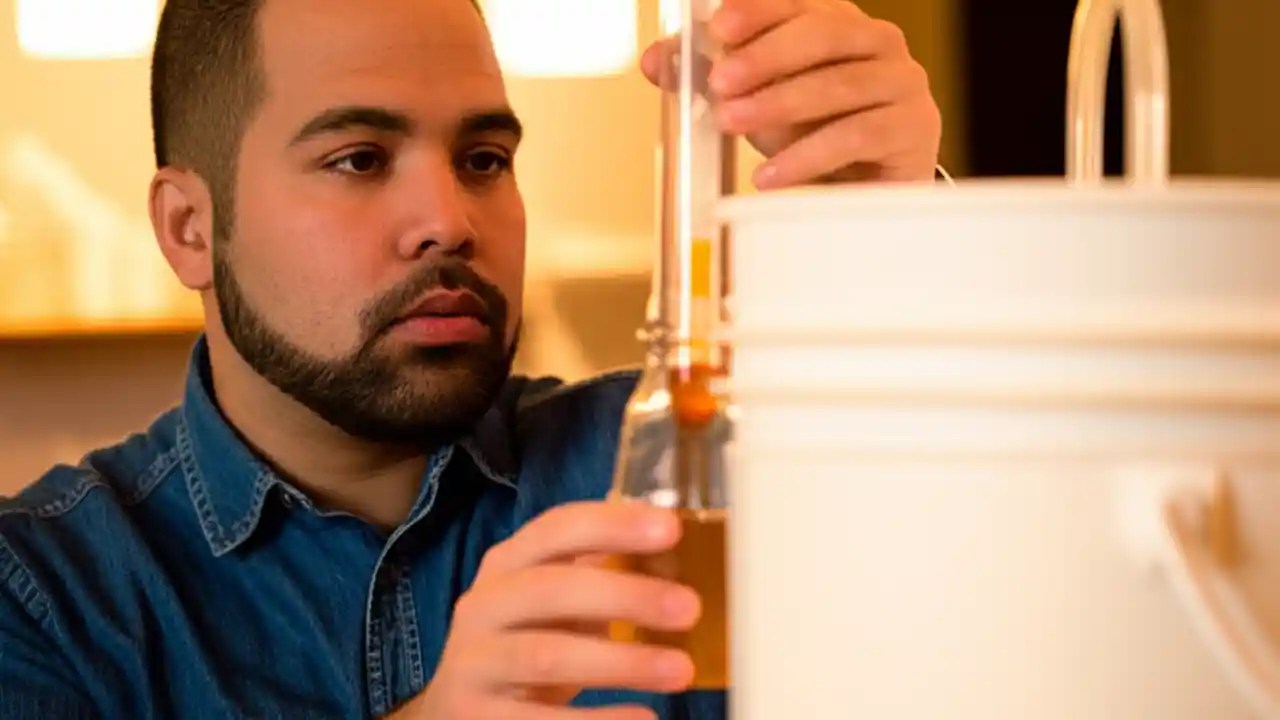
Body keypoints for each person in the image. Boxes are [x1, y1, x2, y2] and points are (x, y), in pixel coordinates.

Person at [0, 0, 941, 717]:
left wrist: (900, 233)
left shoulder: (689, 468)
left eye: (484, 159)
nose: (450, 220)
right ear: (189, 228)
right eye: (361, 159)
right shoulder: (46, 595)